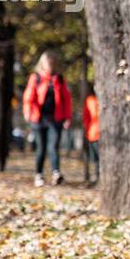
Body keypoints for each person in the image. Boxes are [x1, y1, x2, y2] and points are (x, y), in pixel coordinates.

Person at [22, 51, 73, 187]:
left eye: (51, 64)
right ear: (42, 64)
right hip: (38, 119)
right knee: (41, 148)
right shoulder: (36, 78)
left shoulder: (59, 79)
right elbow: (29, 96)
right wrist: (27, 111)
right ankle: (39, 175)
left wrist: (68, 117)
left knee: (53, 146)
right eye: (47, 64)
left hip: (56, 119)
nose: (50, 66)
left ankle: (56, 173)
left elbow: (66, 100)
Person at [83, 84, 101, 185]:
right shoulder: (90, 100)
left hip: (104, 134)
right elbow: (86, 117)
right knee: (95, 157)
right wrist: (88, 128)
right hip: (93, 133)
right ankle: (96, 175)